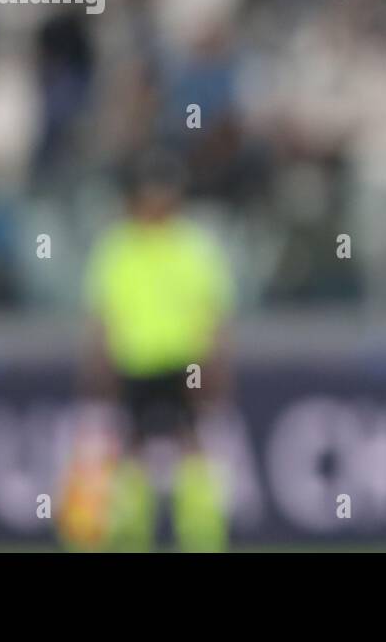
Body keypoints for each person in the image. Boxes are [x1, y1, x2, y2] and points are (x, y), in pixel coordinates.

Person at [79, 149, 234, 551]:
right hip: (134, 362)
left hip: (185, 362)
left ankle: (202, 536)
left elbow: (213, 312)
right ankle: (133, 534)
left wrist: (213, 364)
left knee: (192, 447)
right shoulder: (118, 247)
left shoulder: (194, 245)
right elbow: (103, 314)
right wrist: (100, 365)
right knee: (131, 451)